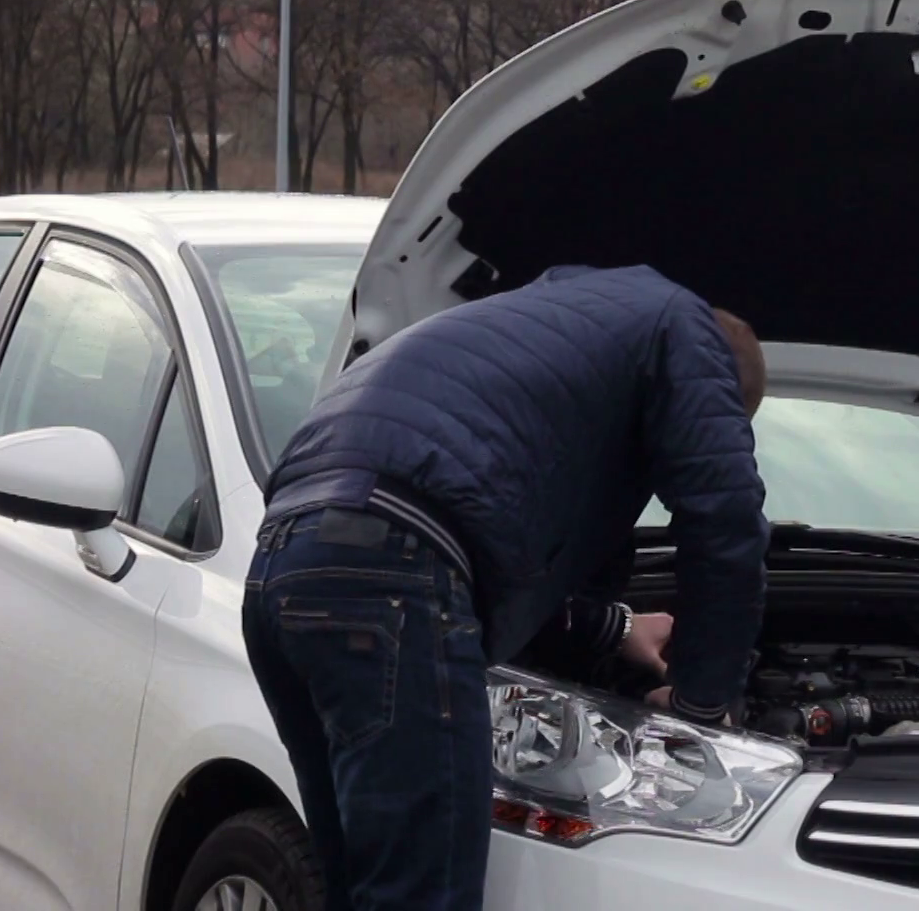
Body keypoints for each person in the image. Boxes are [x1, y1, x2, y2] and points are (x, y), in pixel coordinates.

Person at [242, 264, 771, 911]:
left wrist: (618, 627)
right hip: (391, 581)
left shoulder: (556, 322)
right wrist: (702, 708)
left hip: (283, 567)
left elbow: (501, 544)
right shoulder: (687, 333)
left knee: (356, 891)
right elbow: (726, 525)